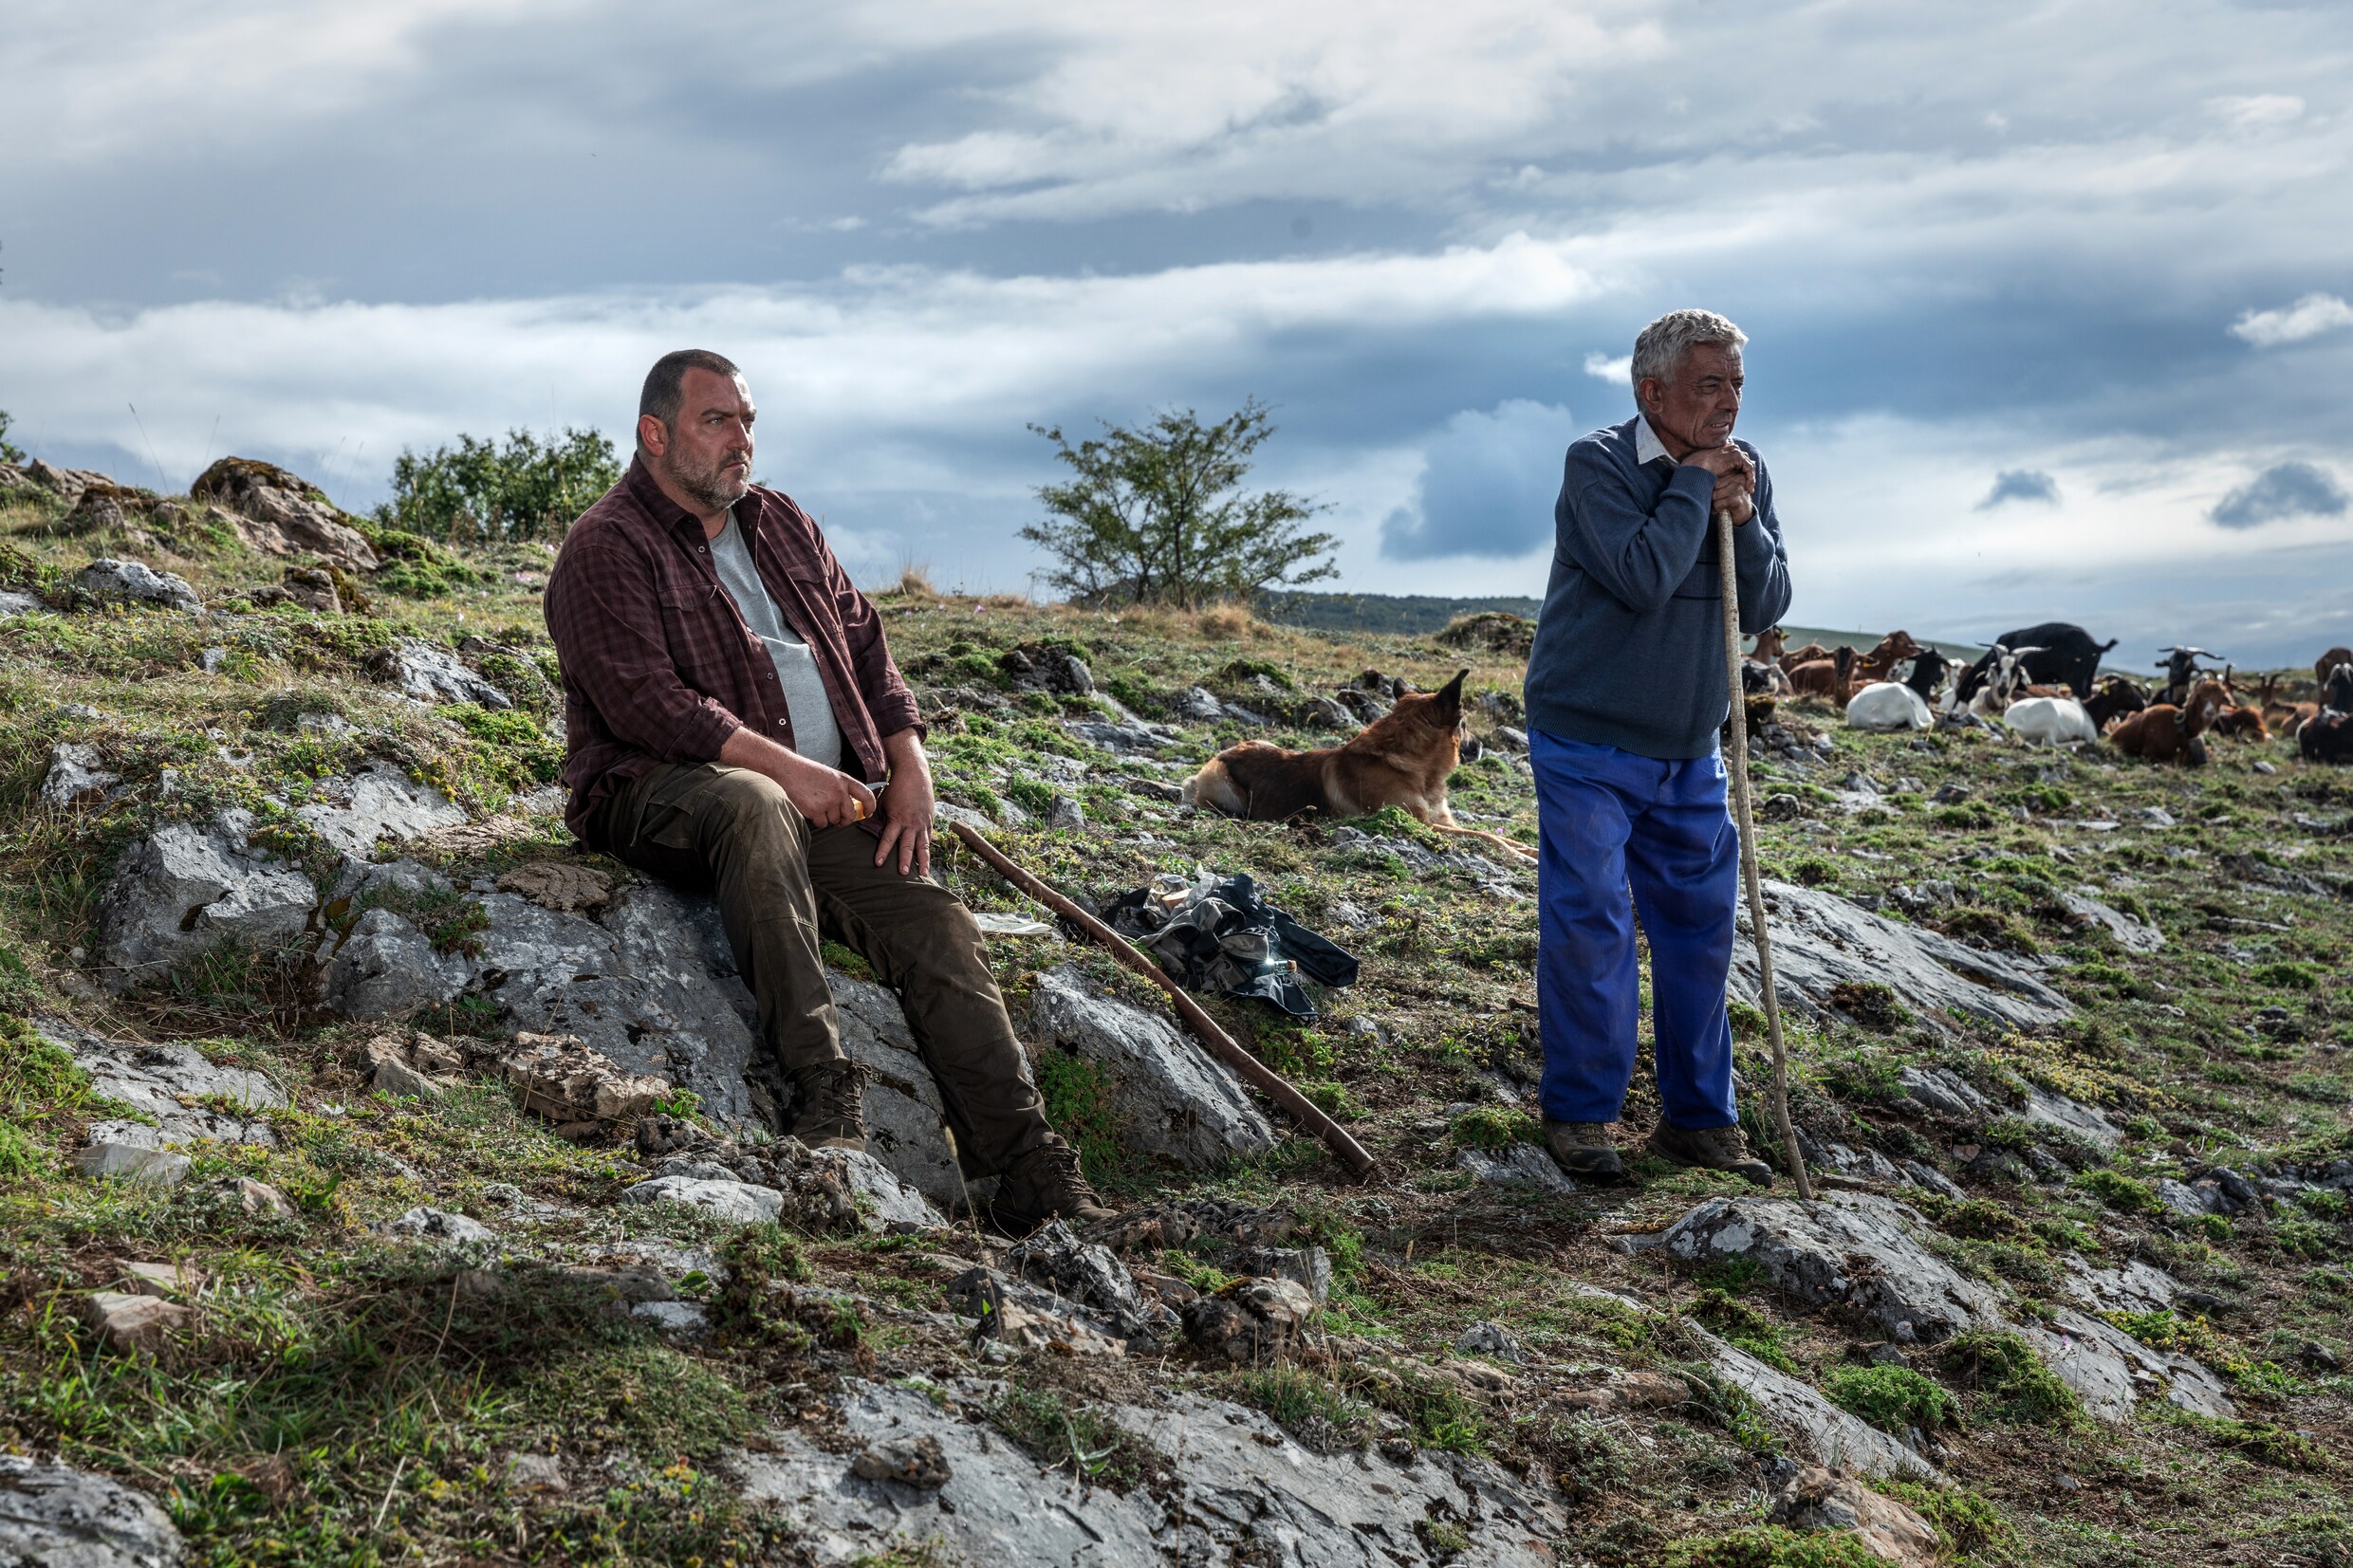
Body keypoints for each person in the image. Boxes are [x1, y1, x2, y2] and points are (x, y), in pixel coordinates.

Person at [545, 348, 1111, 1233]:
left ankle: (1030, 1170)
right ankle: (823, 1094)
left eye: (749, 420)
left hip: (819, 803)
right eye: (717, 421)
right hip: (657, 793)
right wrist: (790, 769)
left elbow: (869, 646)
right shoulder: (605, 545)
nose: (743, 440)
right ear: (655, 434)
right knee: (753, 802)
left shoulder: (781, 521)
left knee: (934, 916)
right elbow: (647, 704)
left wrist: (908, 761)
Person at [1523, 309, 1793, 1184]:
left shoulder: (1741, 471)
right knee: (1592, 919)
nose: (1729, 404)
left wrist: (1743, 513)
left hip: (1688, 747)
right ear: (1653, 391)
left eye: (1737, 385)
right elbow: (1640, 576)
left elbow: (1769, 601)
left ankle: (1699, 1120)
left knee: (1698, 933)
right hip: (1587, 737)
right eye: (1710, 384)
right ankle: (1581, 1114)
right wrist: (1691, 487)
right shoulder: (1596, 463)